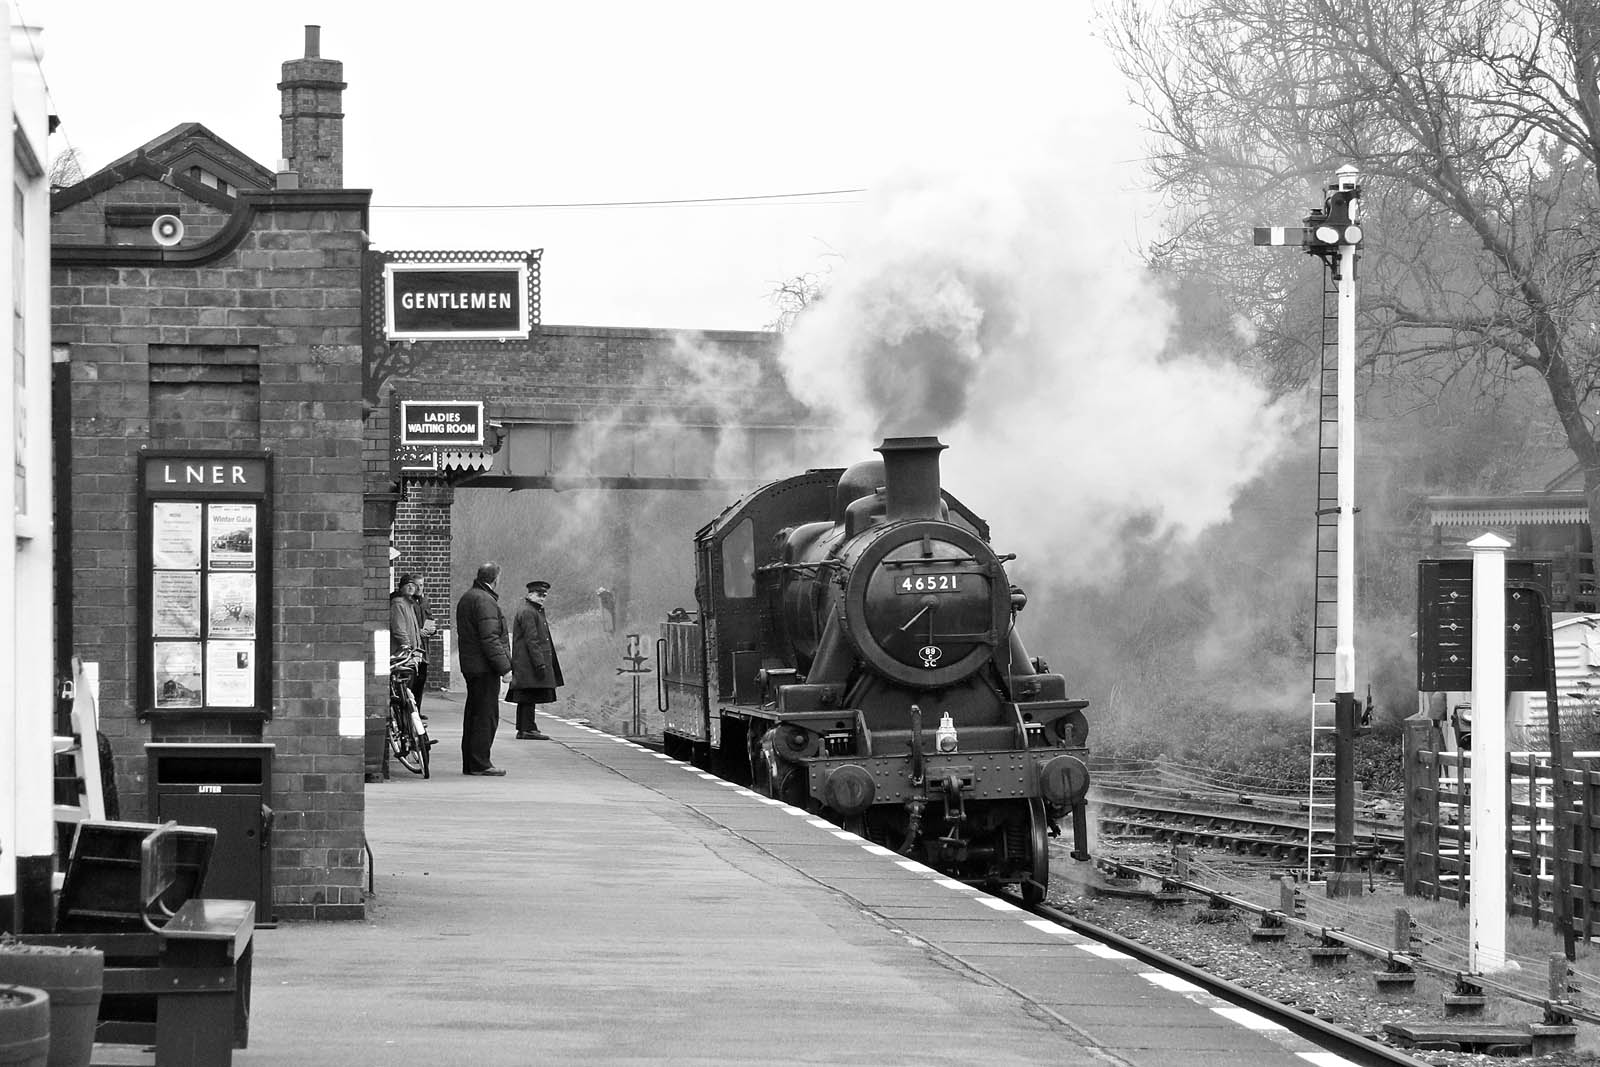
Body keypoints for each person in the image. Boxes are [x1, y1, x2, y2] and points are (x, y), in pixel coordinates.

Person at [454, 562, 512, 776]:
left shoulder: (468, 597)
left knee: (473, 714)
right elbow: (490, 638)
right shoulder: (485, 601)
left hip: (471, 665)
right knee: (486, 715)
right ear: (495, 579)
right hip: (484, 667)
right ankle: (480, 763)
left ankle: (471, 762)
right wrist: (505, 667)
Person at [507, 580, 564, 740]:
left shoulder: (530, 610)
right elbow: (532, 640)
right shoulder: (528, 612)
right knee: (528, 695)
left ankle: (525, 728)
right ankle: (527, 729)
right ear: (530, 594)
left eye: (544, 595)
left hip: (526, 661)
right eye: (539, 595)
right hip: (528, 662)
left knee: (527, 696)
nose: (542, 598)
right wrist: (539, 663)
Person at [389, 573, 437, 716]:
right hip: (404, 655)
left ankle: (411, 717)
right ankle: (405, 717)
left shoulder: (410, 603)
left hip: (415, 653)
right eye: (408, 585)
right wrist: (409, 649)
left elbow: (415, 629)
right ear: (401, 588)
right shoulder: (398, 604)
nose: (411, 588)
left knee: (412, 690)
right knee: (405, 691)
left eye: (413, 586)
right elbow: (399, 630)